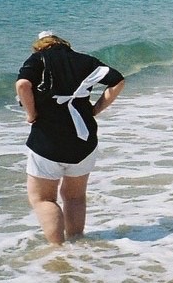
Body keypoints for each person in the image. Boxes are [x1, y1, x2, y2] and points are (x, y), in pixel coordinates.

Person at [16, 32, 125, 244]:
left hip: (48, 140)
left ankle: (59, 250)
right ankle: (77, 243)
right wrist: (96, 109)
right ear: (65, 45)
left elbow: (22, 85)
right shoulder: (85, 61)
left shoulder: (39, 59)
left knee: (44, 199)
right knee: (75, 197)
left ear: (41, 46)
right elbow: (117, 80)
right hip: (83, 140)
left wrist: (31, 114)